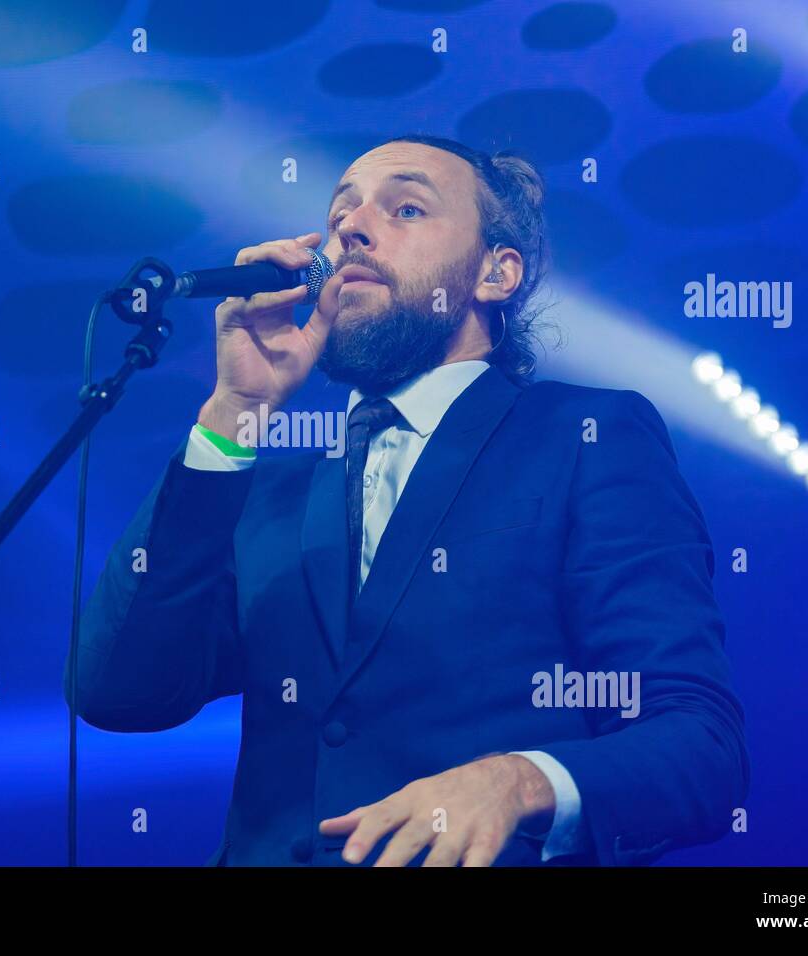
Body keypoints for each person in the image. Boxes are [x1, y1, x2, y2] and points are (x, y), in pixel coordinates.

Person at [67, 134, 749, 866]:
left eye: (407, 207)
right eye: (340, 215)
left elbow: (699, 745)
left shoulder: (585, 437)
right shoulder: (267, 493)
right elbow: (118, 692)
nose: (352, 228)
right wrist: (234, 411)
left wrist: (522, 779)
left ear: (496, 273)